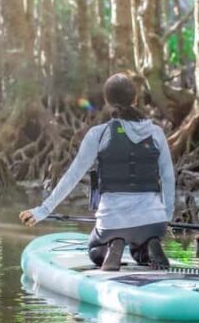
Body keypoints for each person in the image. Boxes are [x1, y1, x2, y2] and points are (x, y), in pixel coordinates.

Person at [19, 73, 175, 271]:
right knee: (141, 249)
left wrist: (42, 211)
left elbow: (72, 175)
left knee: (94, 251)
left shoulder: (99, 134)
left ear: (107, 102)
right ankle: (150, 243)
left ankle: (114, 243)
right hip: (153, 222)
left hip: (112, 221)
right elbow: (168, 179)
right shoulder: (156, 132)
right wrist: (166, 218)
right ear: (135, 99)